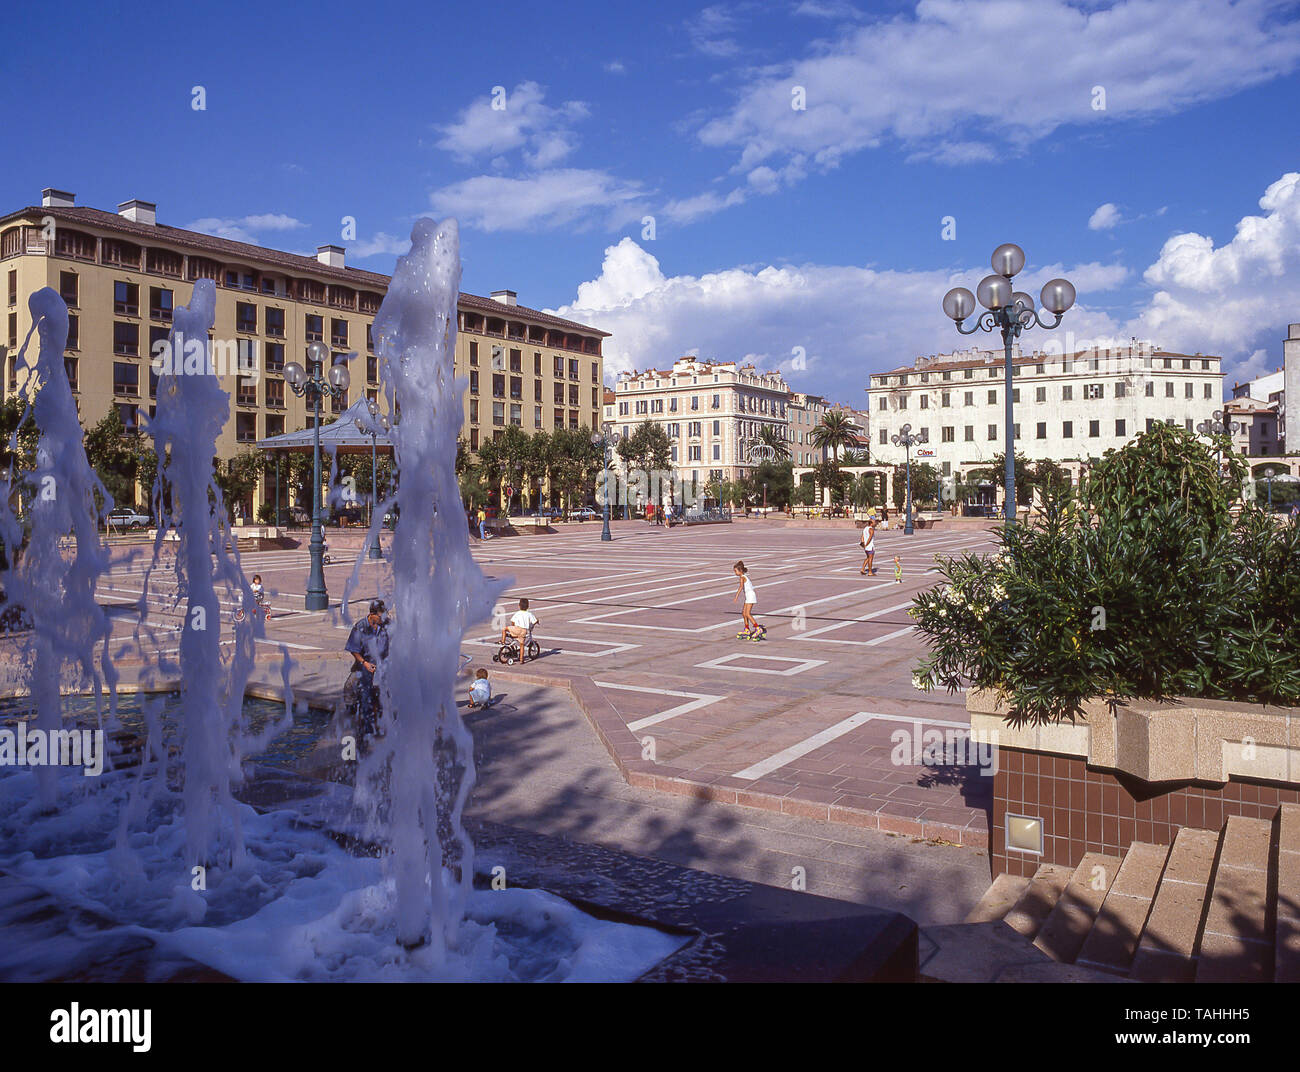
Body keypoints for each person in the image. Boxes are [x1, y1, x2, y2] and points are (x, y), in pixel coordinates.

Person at [344, 598, 390, 745]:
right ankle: (365, 727)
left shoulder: (387, 625)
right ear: (372, 614)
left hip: (383, 663)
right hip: (365, 662)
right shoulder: (360, 627)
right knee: (360, 690)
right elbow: (354, 650)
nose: (384, 618)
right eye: (381, 615)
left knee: (388, 689)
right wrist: (365, 663)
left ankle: (386, 720)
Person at [732, 560, 765, 640]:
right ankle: (747, 629)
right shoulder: (743, 577)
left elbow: (740, 587)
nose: (735, 573)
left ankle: (758, 628)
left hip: (750, 596)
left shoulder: (742, 577)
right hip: (748, 596)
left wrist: (736, 596)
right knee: (744, 613)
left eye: (735, 571)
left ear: (740, 571)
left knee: (747, 614)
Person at [501, 597, 539, 663]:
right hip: (523, 631)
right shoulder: (529, 614)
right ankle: (521, 659)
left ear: (519, 606)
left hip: (516, 629)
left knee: (504, 629)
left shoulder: (518, 613)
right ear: (528, 606)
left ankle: (503, 641)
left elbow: (512, 621)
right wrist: (537, 621)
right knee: (522, 645)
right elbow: (534, 621)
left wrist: (513, 627)